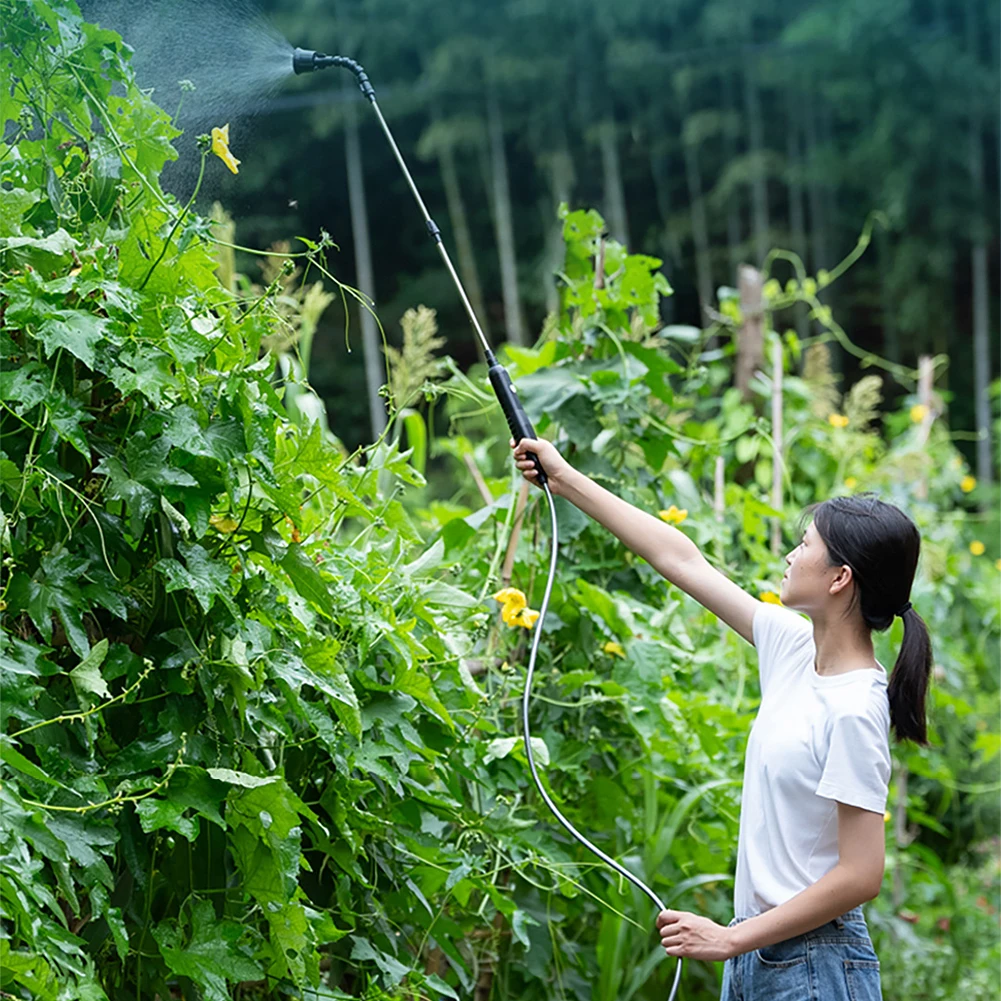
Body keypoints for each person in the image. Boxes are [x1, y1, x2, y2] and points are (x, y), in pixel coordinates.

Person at [511, 435, 933, 1001]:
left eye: (804, 545)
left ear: (840, 579)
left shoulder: (854, 707)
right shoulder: (793, 647)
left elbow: (861, 874)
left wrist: (731, 940)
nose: (790, 556)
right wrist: (564, 479)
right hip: (762, 954)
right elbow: (681, 561)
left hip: (813, 964)